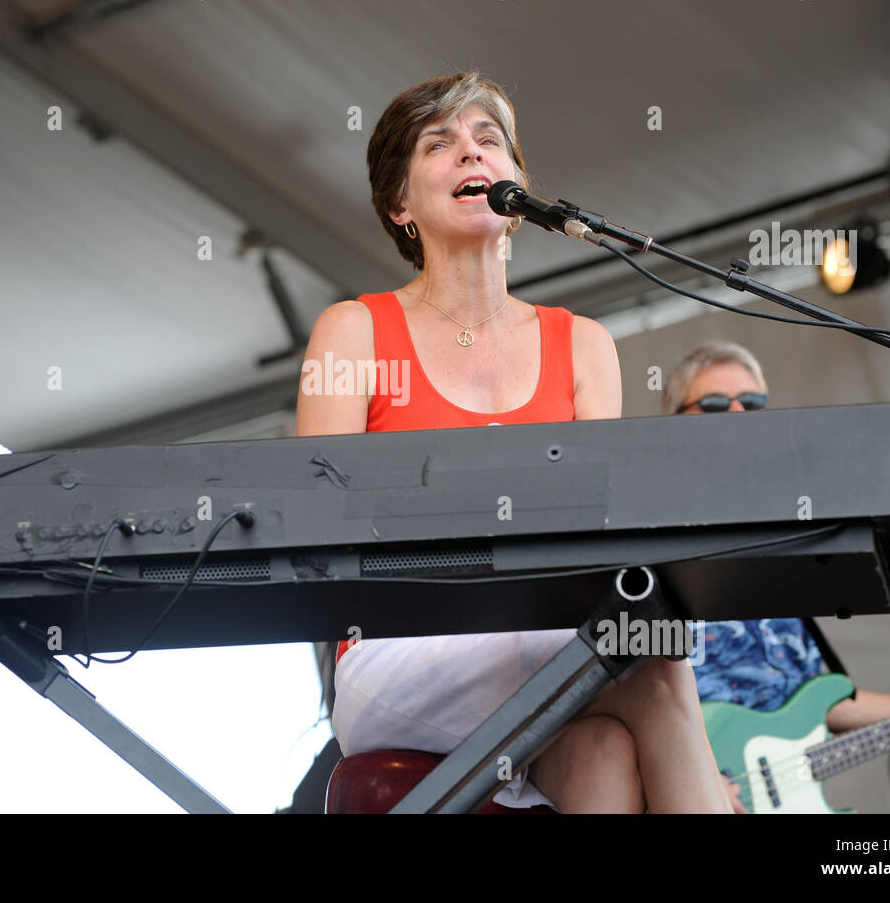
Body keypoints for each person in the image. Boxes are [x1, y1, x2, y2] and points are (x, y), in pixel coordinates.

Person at [295, 71, 731, 813]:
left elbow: (605, 540)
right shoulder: (356, 330)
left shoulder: (584, 345)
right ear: (398, 204)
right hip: (400, 643)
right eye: (442, 144)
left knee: (604, 749)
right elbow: (313, 531)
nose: (471, 154)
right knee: (650, 660)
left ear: (518, 192)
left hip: (547, 629)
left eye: (488, 140)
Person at [663, 340, 890, 810]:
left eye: (753, 403)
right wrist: (690, 771)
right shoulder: (657, 532)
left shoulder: (784, 542)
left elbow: (824, 702)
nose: (739, 412)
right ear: (672, 423)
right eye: (718, 403)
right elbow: (633, 683)